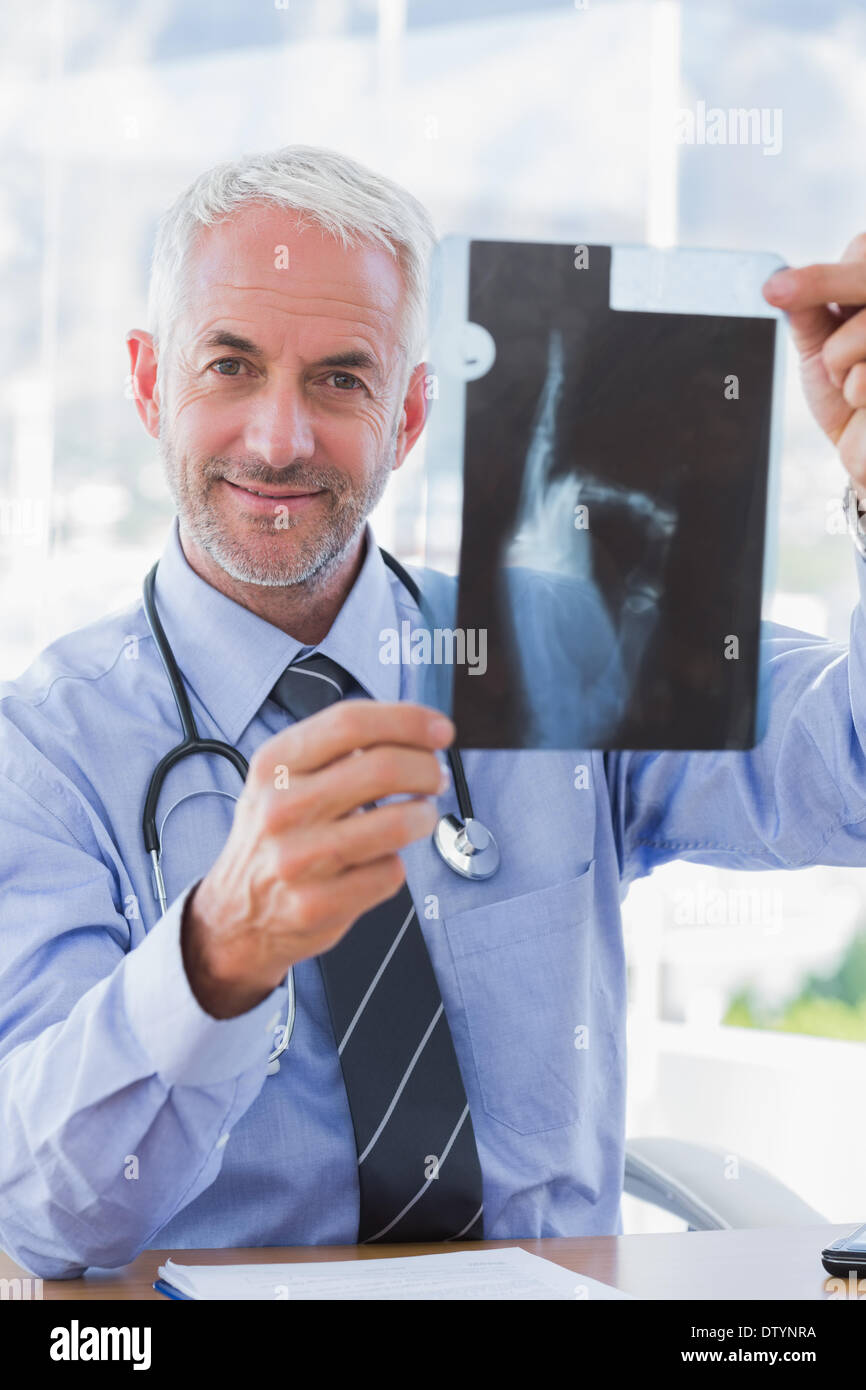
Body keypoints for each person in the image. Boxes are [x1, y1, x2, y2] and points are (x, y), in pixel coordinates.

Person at [1, 145, 865, 1280]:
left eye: (339, 379)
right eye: (229, 366)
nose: (278, 439)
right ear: (148, 381)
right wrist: (214, 955)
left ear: (408, 414)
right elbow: (51, 1216)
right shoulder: (40, 757)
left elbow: (841, 770)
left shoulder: (562, 646)